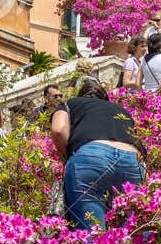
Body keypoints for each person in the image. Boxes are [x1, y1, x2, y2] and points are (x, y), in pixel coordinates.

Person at [50, 77, 145, 230]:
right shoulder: (122, 110)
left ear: (81, 96)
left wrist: (67, 156)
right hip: (132, 159)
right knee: (128, 235)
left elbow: (59, 130)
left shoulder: (71, 103)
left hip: (90, 158)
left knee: (91, 235)